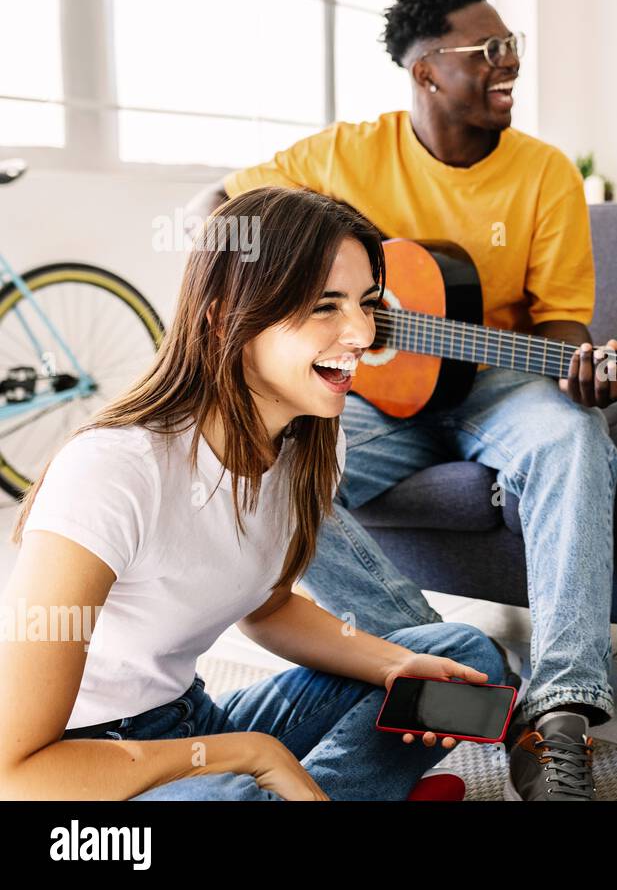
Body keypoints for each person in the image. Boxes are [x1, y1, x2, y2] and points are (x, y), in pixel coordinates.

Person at [185, 0, 617, 800]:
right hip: (372, 393)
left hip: (497, 384)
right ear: (426, 71)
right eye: (488, 51)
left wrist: (579, 368)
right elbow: (225, 208)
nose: (510, 65)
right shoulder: (343, 155)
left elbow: (562, 321)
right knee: (272, 468)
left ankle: (559, 710)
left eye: (513, 48)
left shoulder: (545, 174)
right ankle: (457, 675)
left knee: (576, 438)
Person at [0, 187, 506, 800]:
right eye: (326, 306)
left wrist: (391, 665)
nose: (363, 333)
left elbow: (266, 608)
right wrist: (250, 752)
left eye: (366, 303)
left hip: (188, 722)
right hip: (86, 766)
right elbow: (17, 774)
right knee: (240, 796)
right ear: (223, 315)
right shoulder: (112, 470)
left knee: (462, 661)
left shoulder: (310, 446)